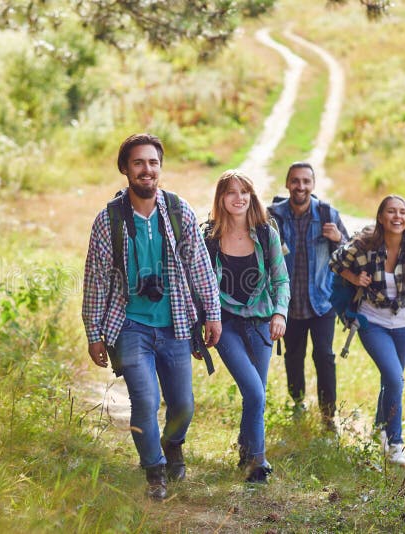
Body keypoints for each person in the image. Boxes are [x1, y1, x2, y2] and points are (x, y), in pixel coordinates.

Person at [82, 133, 222, 500]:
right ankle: (154, 470)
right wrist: (93, 333)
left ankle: (172, 443)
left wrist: (212, 314)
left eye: (153, 163)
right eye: (139, 163)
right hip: (129, 325)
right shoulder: (107, 220)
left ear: (160, 168)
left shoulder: (179, 212)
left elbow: (201, 268)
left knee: (183, 406)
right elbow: (95, 280)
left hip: (175, 324)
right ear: (125, 169)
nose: (147, 170)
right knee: (144, 400)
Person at [329, 195, 405, 466]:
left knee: (389, 382)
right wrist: (354, 278)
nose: (397, 217)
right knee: (394, 379)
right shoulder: (365, 244)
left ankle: (379, 428)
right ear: (381, 217)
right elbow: (336, 261)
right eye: (391, 211)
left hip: (404, 324)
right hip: (372, 322)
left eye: (402, 212)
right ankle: (396, 444)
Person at [203, 170, 290, 483]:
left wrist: (280, 314)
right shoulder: (209, 237)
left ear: (252, 197)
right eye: (230, 192)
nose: (238, 198)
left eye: (244, 192)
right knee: (254, 391)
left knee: (256, 394)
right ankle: (259, 463)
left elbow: (281, 279)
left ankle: (245, 450)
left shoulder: (266, 234)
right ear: (221, 199)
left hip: (262, 323)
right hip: (225, 324)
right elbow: (200, 285)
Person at [268, 162, 349, 429]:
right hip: (289, 304)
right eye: (295, 181)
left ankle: (329, 416)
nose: (300, 186)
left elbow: (350, 255)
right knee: (293, 354)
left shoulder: (327, 214)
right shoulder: (273, 216)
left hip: (321, 302)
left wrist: (338, 238)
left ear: (312, 185)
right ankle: (298, 402)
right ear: (287, 183)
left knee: (324, 356)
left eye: (305, 181)